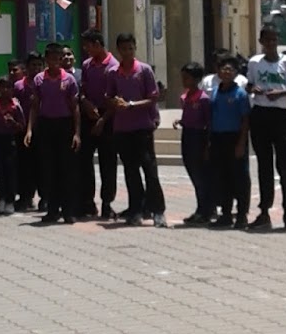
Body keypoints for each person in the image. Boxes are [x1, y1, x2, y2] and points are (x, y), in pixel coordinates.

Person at [246, 24, 286, 230]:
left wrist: (282, 93)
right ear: (261, 42)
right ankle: (264, 211)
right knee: (264, 166)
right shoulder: (254, 62)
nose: (271, 44)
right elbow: (248, 84)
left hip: (280, 116)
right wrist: (253, 88)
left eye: (274, 40)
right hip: (260, 115)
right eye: (267, 40)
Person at [106, 33, 166, 227]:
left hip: (142, 127)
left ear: (135, 48)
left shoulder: (144, 71)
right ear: (118, 50)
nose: (127, 52)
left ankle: (157, 210)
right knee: (131, 171)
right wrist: (114, 102)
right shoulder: (113, 72)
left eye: (130, 48)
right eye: (123, 49)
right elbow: (109, 97)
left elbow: (153, 98)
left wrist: (131, 105)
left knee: (150, 169)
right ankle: (136, 209)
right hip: (122, 129)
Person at [26, 41, 80, 225]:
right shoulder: (39, 80)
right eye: (52, 58)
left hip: (64, 126)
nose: (56, 61)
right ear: (46, 59)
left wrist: (77, 133)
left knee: (66, 170)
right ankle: (52, 209)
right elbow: (34, 106)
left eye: (59, 58)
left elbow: (75, 108)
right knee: (49, 170)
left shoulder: (69, 80)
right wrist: (30, 130)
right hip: (46, 125)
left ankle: (68, 211)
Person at [79, 29, 119, 221]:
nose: (85, 49)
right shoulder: (87, 65)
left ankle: (107, 203)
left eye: (88, 45)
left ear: (96, 44)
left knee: (107, 163)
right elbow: (82, 90)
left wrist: (103, 120)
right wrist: (86, 103)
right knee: (84, 161)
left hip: (108, 119)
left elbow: (116, 99)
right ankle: (87, 201)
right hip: (89, 115)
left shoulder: (113, 66)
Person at [208, 56, 250, 228]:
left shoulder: (240, 94)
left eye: (230, 70)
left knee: (239, 178)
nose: (226, 72)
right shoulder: (216, 91)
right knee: (222, 177)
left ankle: (241, 215)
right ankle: (225, 214)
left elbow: (245, 120)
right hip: (218, 138)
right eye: (223, 69)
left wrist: (241, 143)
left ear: (235, 73)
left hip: (235, 138)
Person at [175, 61, 212, 225]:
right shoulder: (186, 97)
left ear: (197, 79)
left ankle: (205, 210)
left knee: (201, 175)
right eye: (183, 77)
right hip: (187, 135)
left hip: (199, 137)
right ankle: (201, 208)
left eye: (187, 78)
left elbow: (208, 122)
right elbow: (189, 117)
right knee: (192, 172)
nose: (184, 81)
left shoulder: (203, 99)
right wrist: (181, 121)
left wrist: (207, 145)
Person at [0, 77, 25, 214]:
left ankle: (10, 199)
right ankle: (1, 197)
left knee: (10, 169)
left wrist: (13, 123)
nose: (5, 90)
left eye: (8, 87)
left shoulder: (15, 105)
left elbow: (22, 126)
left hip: (11, 139)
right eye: (3, 87)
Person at [14, 52, 43, 210]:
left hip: (42, 129)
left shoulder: (45, 83)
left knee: (43, 165)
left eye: (39, 65)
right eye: (33, 65)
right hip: (23, 131)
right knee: (24, 166)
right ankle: (25, 196)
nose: (37, 68)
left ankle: (45, 197)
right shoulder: (19, 86)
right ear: (26, 67)